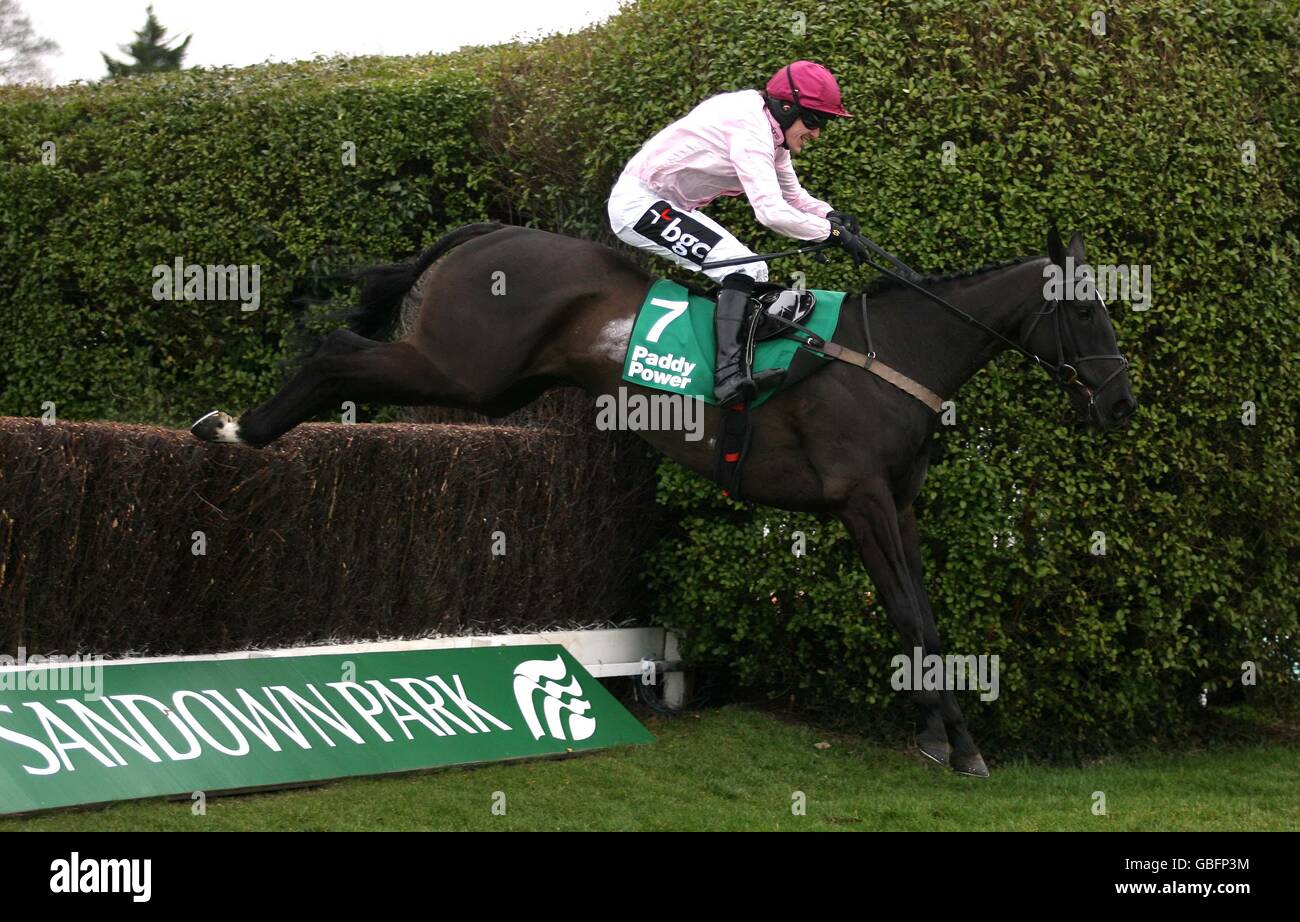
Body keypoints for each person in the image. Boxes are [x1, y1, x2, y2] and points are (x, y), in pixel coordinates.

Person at [608, 60, 870, 405]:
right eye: (814, 120)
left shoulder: (770, 130)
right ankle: (728, 378)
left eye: (823, 123)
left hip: (667, 203)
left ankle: (735, 366)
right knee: (742, 268)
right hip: (639, 204)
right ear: (786, 107)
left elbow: (793, 196)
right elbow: (770, 212)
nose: (817, 132)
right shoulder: (750, 129)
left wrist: (830, 215)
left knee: (754, 269)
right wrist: (829, 234)